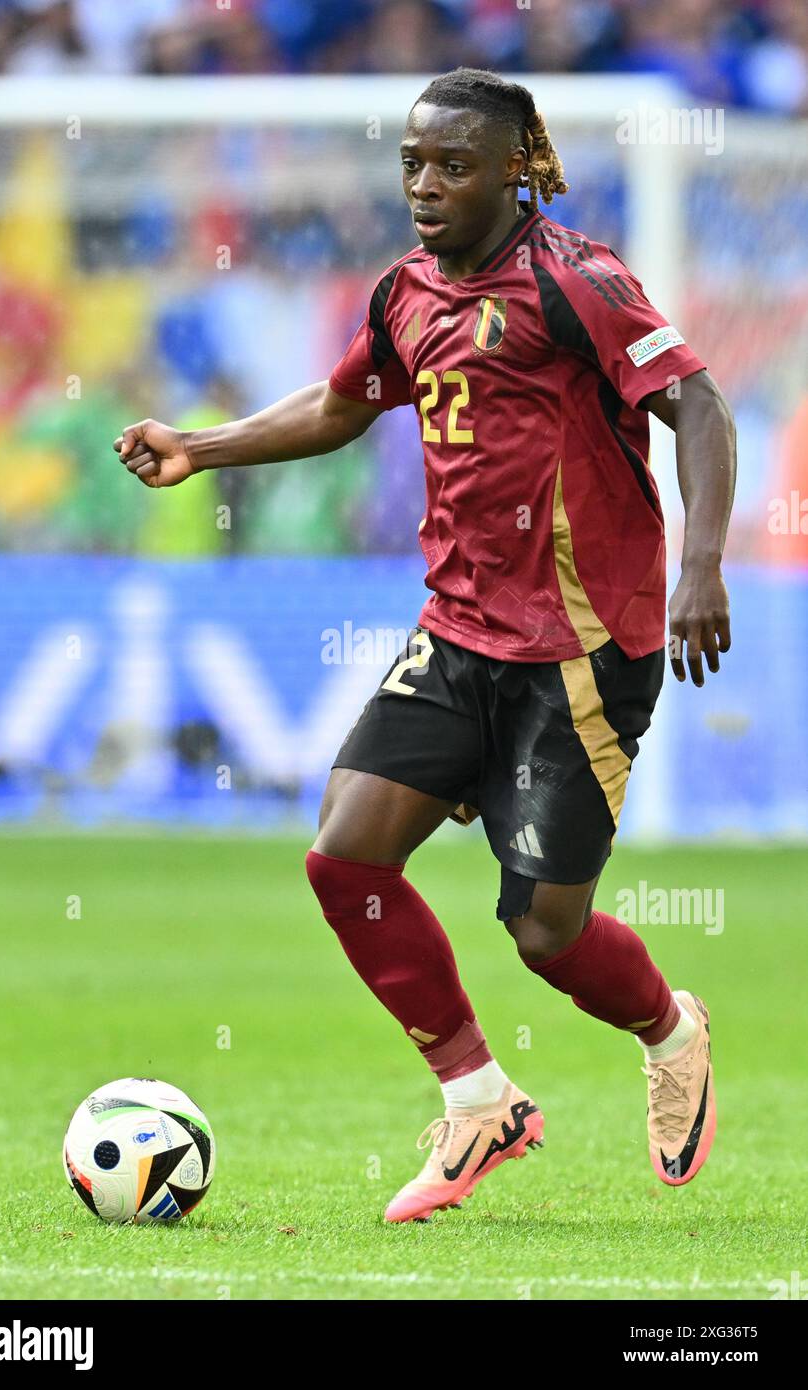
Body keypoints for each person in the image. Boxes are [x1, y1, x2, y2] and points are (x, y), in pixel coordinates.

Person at [115, 67, 736, 1224]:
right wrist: (201, 447)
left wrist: (700, 563)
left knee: (542, 934)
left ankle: (667, 1025)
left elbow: (695, 405)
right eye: (411, 162)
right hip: (456, 631)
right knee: (342, 858)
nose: (425, 184)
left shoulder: (577, 281)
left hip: (581, 648)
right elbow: (346, 404)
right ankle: (477, 1095)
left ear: (516, 168)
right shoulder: (404, 290)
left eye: (452, 163)